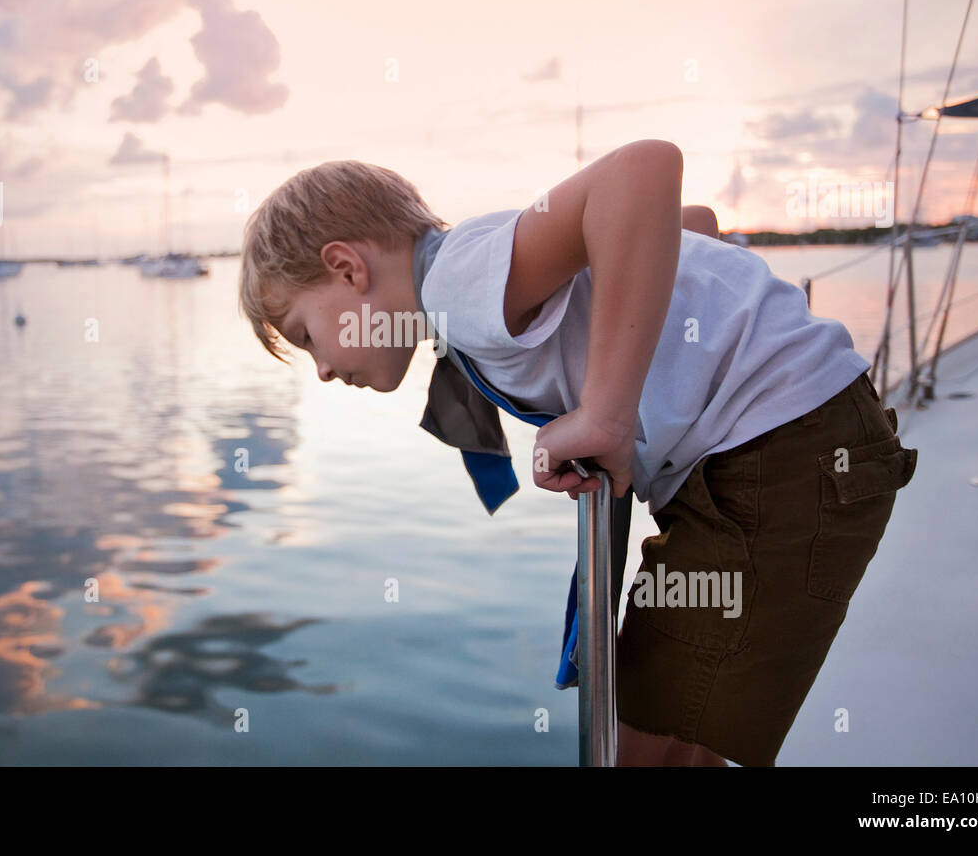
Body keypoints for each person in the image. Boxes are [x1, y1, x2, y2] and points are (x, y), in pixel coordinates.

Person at [237, 144, 917, 766]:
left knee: (655, 726)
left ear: (347, 267)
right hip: (795, 447)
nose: (321, 369)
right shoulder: (473, 266)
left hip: (779, 451)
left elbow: (641, 171)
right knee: (684, 721)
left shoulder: (455, 283)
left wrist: (606, 412)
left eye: (306, 335)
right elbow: (695, 223)